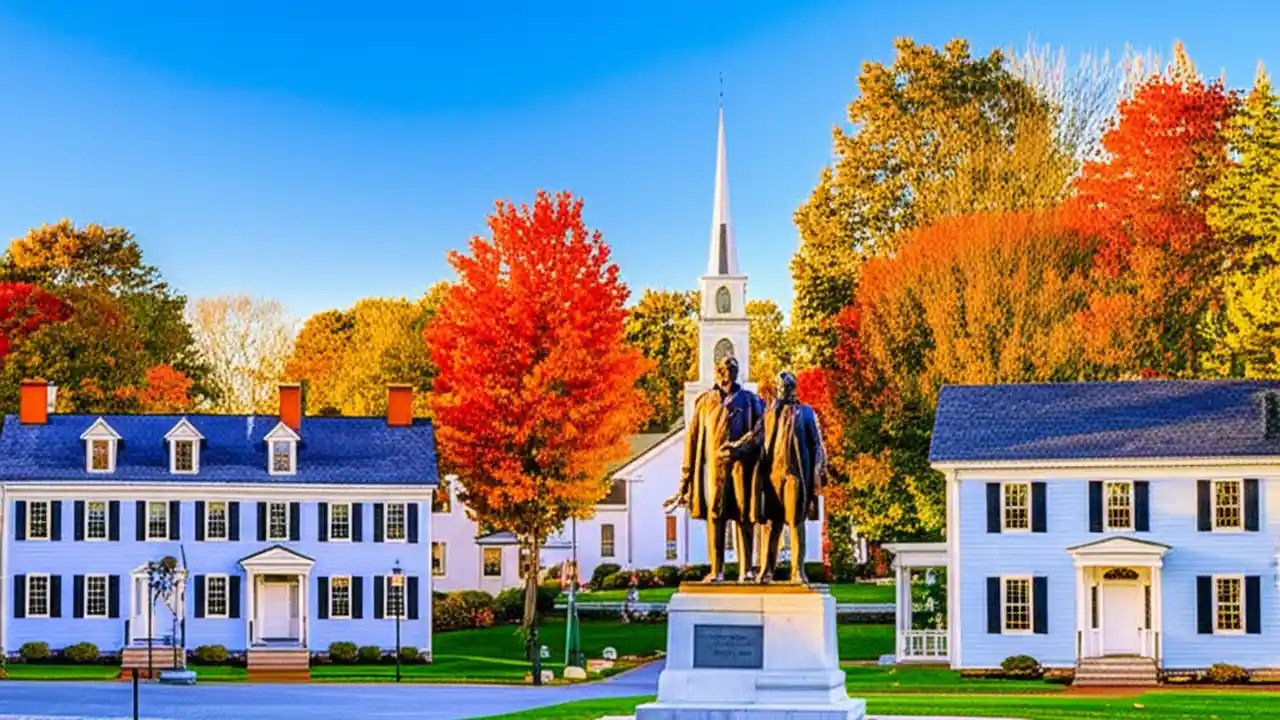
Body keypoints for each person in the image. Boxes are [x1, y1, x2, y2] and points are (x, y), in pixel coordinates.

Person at [664, 356, 764, 582]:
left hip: (741, 467)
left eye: (733, 369)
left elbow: (761, 434)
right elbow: (692, 440)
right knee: (715, 517)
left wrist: (740, 448)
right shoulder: (705, 402)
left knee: (744, 516)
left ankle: (746, 569)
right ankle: (716, 570)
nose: (729, 373)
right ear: (718, 372)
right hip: (714, 470)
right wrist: (685, 480)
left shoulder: (751, 401)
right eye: (726, 369)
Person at [750, 371, 826, 584]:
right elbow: (755, 437)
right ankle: (766, 570)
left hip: (794, 475)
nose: (782, 391)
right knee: (772, 525)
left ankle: (797, 571)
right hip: (773, 475)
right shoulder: (770, 413)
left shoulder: (806, 413)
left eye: (786, 387)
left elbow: (817, 446)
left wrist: (817, 472)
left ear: (793, 389)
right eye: (780, 387)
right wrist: (735, 447)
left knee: (795, 522)